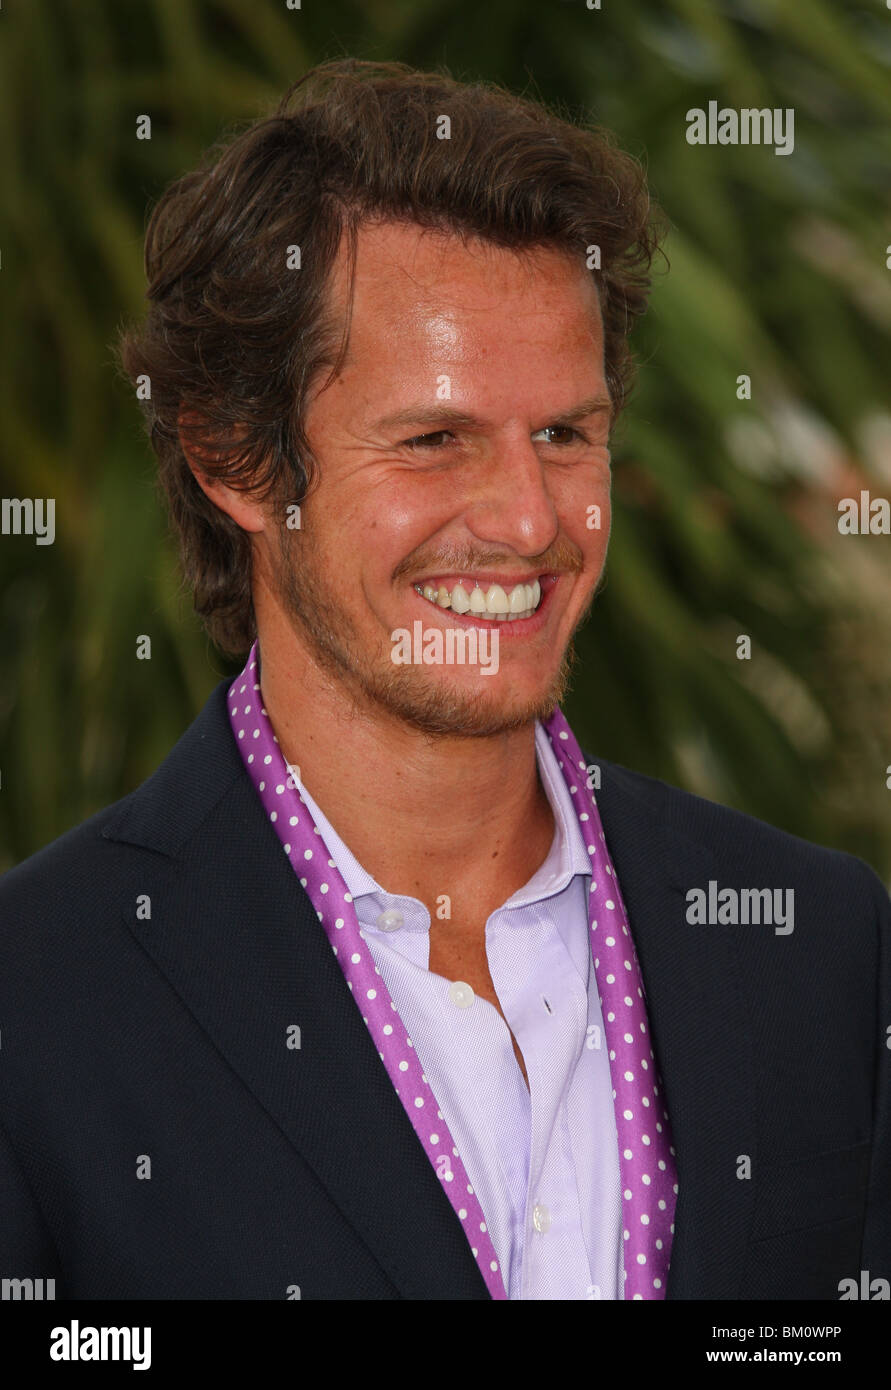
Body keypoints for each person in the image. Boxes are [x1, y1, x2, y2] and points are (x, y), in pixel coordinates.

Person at [1, 58, 888, 1302]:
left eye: (566, 435)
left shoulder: (819, 941)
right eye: (433, 441)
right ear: (234, 460)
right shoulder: (40, 993)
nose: (529, 522)